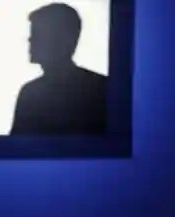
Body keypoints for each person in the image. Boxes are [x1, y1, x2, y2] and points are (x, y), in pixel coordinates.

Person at [11, 3, 108, 136]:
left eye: (37, 34)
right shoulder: (103, 86)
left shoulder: (31, 93)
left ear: (63, 40)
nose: (30, 39)